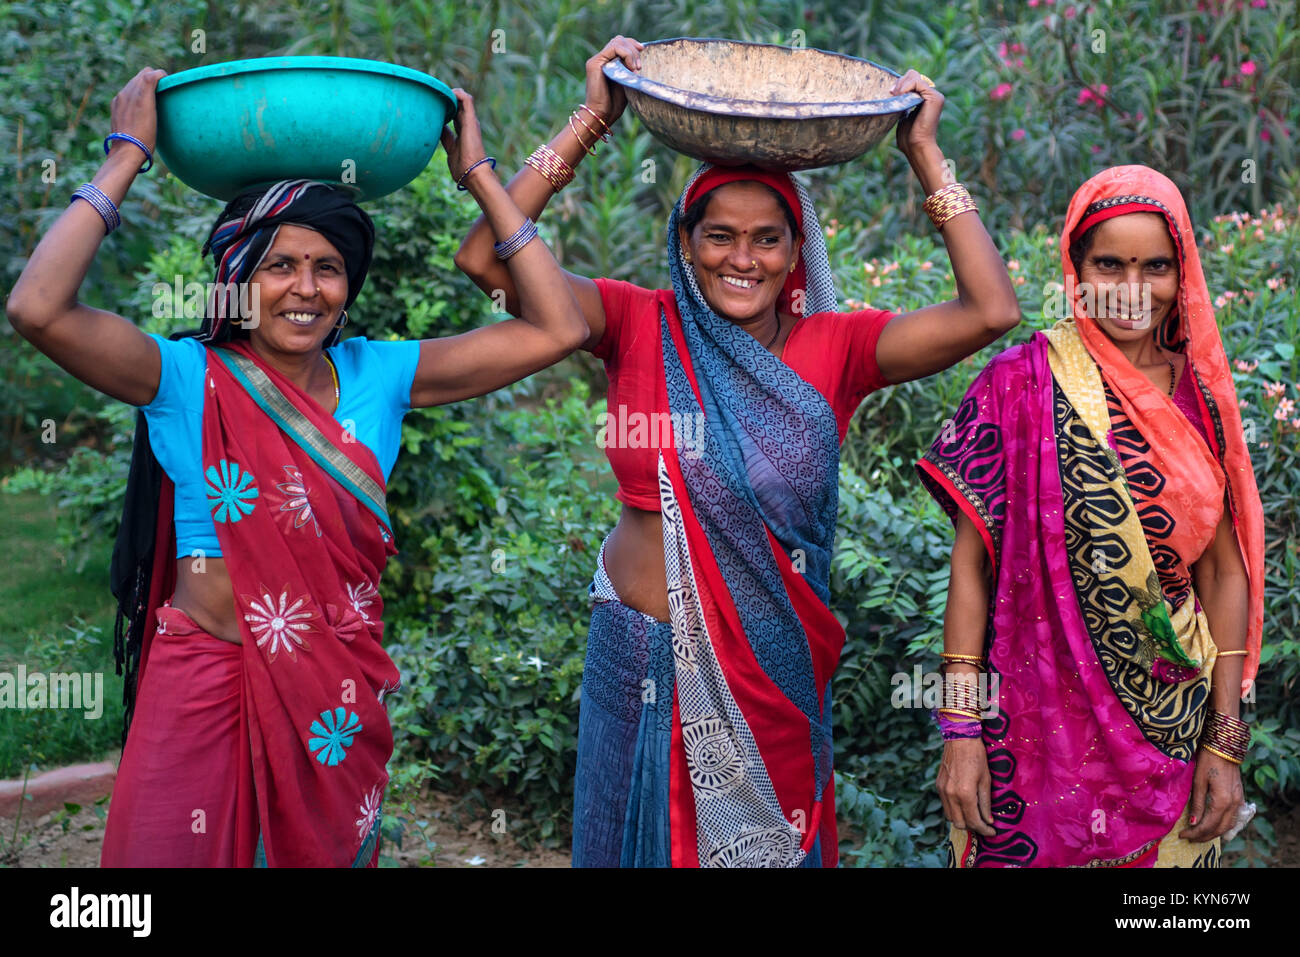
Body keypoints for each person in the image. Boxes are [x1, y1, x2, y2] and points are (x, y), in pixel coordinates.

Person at [455, 37, 1022, 866]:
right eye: (718, 236)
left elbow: (991, 311)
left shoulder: (840, 347)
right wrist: (590, 119)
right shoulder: (632, 321)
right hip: (635, 658)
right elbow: (486, 259)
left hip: (769, 672)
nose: (741, 259)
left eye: (765, 239)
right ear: (686, 244)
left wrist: (924, 152)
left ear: (796, 252)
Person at [4, 68, 588, 866]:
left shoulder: (378, 375)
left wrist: (477, 175)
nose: (305, 290)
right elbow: (37, 308)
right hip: (203, 676)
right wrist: (126, 156)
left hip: (330, 693)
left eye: (328, 267)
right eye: (279, 266)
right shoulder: (184, 379)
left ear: (349, 285)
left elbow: (556, 328)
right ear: (237, 277)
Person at [918, 164, 1264, 867]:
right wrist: (960, 728)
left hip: (1172, 721)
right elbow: (971, 566)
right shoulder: (1018, 383)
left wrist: (1224, 740)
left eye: (1156, 268)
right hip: (1028, 731)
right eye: (1110, 264)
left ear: (1182, 274)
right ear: (1074, 268)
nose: (1133, 290)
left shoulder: (1202, 402)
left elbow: (1226, 572)